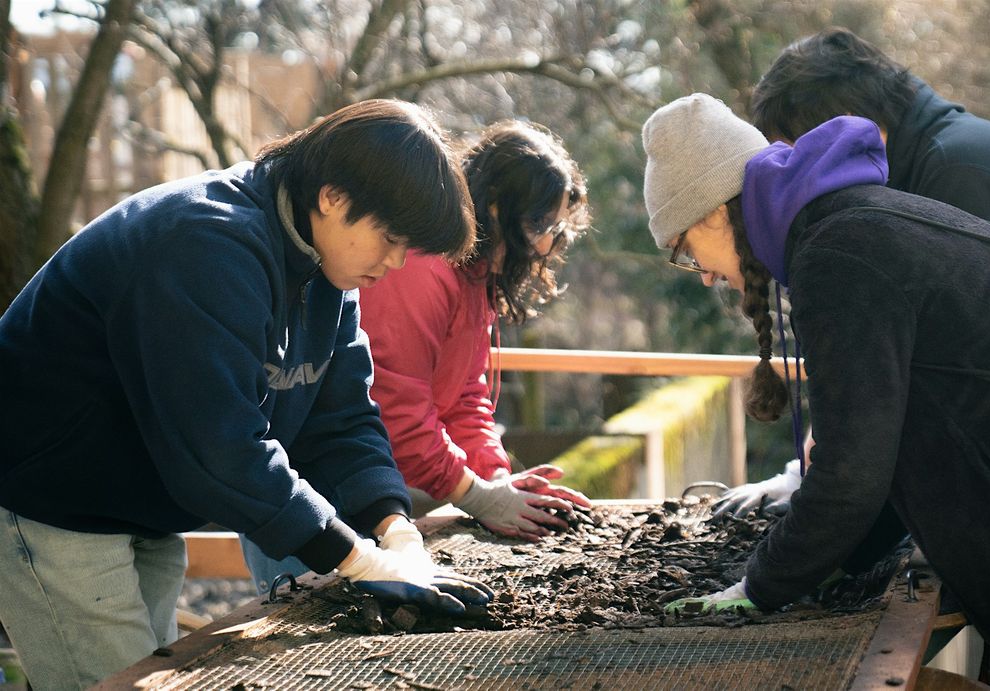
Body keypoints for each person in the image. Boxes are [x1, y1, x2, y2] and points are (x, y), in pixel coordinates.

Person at [643, 93, 990, 688]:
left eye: (683, 251)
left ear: (709, 213)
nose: (701, 274)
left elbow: (851, 474)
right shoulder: (857, 219)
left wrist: (759, 586)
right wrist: (834, 560)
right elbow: (895, 438)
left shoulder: (836, 257)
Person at [0, 99, 493, 690]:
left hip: (139, 503)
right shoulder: (206, 244)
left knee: (150, 674)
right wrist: (358, 560)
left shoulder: (325, 266)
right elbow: (223, 449)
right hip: (52, 501)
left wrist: (396, 530)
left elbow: (342, 420)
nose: (393, 263)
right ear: (333, 196)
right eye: (388, 238)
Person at [714, 25, 990, 516]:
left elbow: (939, 374)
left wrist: (823, 492)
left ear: (846, 125)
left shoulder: (957, 174)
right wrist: (806, 475)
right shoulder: (924, 164)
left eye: (798, 150)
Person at [240, 120, 593, 591]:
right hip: (315, 490)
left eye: (555, 228)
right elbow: (397, 406)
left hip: (376, 491)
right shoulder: (426, 267)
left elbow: (466, 394)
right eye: (539, 224)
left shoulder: (476, 277)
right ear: (494, 206)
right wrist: (473, 494)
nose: (547, 244)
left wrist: (495, 481)